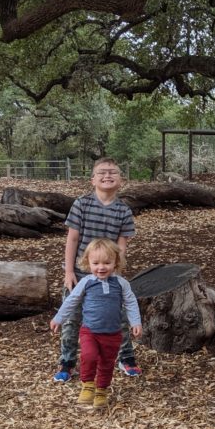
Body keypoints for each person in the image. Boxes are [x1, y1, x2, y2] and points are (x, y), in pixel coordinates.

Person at [53, 157, 141, 382]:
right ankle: (67, 362)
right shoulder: (81, 204)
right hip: (81, 271)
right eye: (102, 172)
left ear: (121, 180)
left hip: (109, 273)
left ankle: (126, 357)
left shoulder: (123, 211)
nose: (107, 175)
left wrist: (117, 273)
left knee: (118, 316)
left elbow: (122, 245)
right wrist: (69, 272)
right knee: (72, 316)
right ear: (93, 179)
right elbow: (72, 239)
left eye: (113, 172)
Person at [50, 238, 143, 409]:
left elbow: (130, 302)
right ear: (88, 263)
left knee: (107, 363)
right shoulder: (87, 282)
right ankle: (87, 386)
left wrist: (135, 322)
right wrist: (59, 318)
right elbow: (72, 301)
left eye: (107, 263)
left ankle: (101, 391)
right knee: (88, 356)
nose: (101, 267)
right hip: (90, 331)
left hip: (113, 333)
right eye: (96, 263)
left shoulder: (121, 283)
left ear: (116, 263)